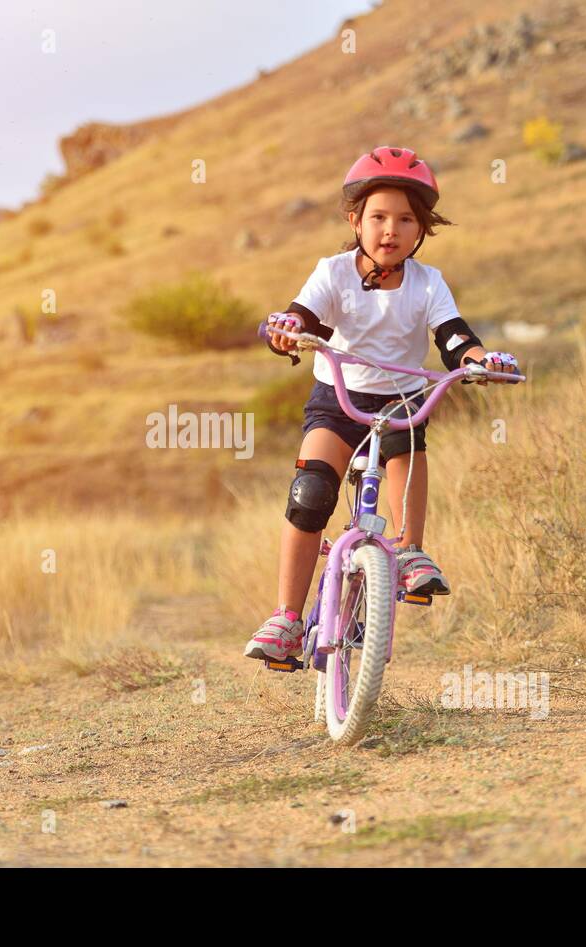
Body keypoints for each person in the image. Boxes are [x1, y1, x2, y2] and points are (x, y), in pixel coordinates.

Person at [245, 146, 520, 662]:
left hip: (401, 398)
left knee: (406, 447)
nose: (390, 229)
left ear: (421, 231)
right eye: (378, 217)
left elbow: (454, 337)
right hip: (338, 400)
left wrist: (483, 360)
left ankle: (410, 550)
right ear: (355, 220)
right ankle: (285, 619)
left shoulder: (428, 282)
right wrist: (286, 331)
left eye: (405, 220)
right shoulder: (332, 272)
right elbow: (302, 317)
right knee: (309, 491)